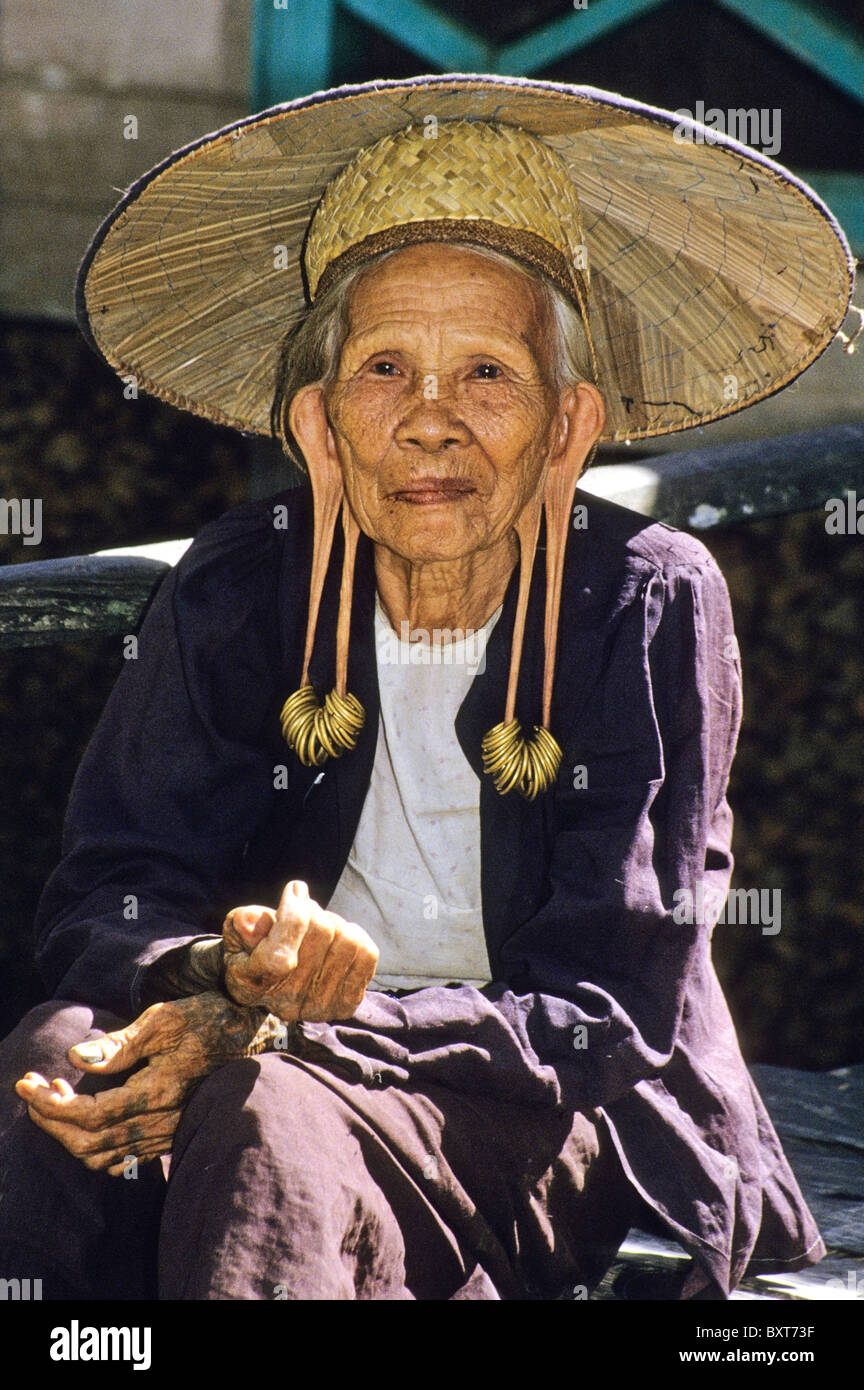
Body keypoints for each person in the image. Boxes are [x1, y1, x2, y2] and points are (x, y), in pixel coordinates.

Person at [0, 75, 853, 1301]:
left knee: (264, 1114)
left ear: (568, 430)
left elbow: (608, 1007)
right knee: (55, 1065)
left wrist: (293, 1032)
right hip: (262, 1040)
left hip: (536, 1101)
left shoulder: (647, 599)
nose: (433, 422)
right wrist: (211, 968)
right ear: (319, 423)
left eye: (490, 376)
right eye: (387, 368)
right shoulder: (243, 583)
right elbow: (108, 887)